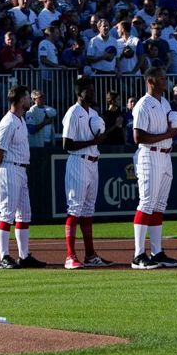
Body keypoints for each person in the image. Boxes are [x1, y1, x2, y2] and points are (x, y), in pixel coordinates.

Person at [0, 85, 46, 269]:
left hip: (20, 170)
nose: (30, 99)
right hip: (8, 169)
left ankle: (24, 255)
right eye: (28, 97)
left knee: (24, 214)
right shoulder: (8, 122)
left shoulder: (20, 120)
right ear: (21, 100)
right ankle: (4, 257)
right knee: (7, 214)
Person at [130, 67, 177, 269]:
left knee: (159, 206)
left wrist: (175, 128)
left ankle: (157, 251)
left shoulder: (164, 102)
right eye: (162, 78)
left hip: (165, 156)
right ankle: (138, 255)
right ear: (151, 81)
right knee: (147, 203)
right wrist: (168, 135)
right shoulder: (143, 105)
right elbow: (138, 137)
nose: (165, 81)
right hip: (149, 155)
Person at [60, 76, 112, 269]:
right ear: (79, 93)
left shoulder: (93, 113)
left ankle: (90, 255)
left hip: (92, 162)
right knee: (75, 209)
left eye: (92, 89)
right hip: (78, 162)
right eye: (88, 90)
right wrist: (92, 142)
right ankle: (70, 256)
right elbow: (66, 144)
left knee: (88, 211)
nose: (92, 92)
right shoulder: (73, 113)